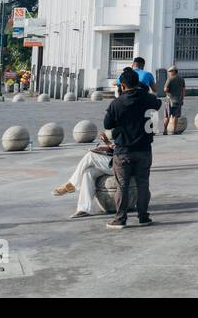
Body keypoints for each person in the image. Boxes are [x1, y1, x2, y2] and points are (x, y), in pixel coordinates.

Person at [101, 67, 162, 229]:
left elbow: (107, 124)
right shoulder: (148, 99)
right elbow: (157, 105)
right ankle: (143, 217)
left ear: (122, 86)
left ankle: (120, 219)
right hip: (144, 149)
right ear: (138, 83)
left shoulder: (117, 103)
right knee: (143, 184)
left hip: (123, 151)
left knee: (122, 186)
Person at [52, 130, 115, 218]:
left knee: (90, 156)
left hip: (124, 165)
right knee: (88, 172)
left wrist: (107, 143)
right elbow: (119, 148)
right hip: (116, 162)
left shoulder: (129, 128)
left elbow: (126, 149)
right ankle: (84, 209)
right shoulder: (126, 126)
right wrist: (106, 148)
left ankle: (72, 184)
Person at [161, 66, 185, 135]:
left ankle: (165, 131)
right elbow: (183, 90)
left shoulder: (170, 79)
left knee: (166, 116)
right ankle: (174, 131)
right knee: (175, 116)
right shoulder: (181, 79)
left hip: (169, 100)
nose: (169, 73)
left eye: (170, 71)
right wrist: (182, 99)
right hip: (178, 100)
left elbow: (165, 90)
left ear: (174, 71)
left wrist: (168, 90)